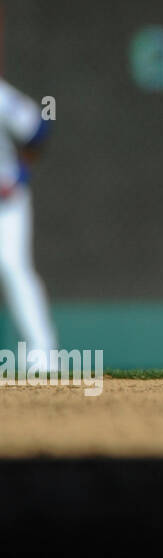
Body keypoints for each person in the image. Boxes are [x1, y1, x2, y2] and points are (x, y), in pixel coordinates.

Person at [0, 78, 57, 365]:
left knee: (13, 267)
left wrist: (21, 171)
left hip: (5, 203)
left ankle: (43, 358)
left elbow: (37, 128)